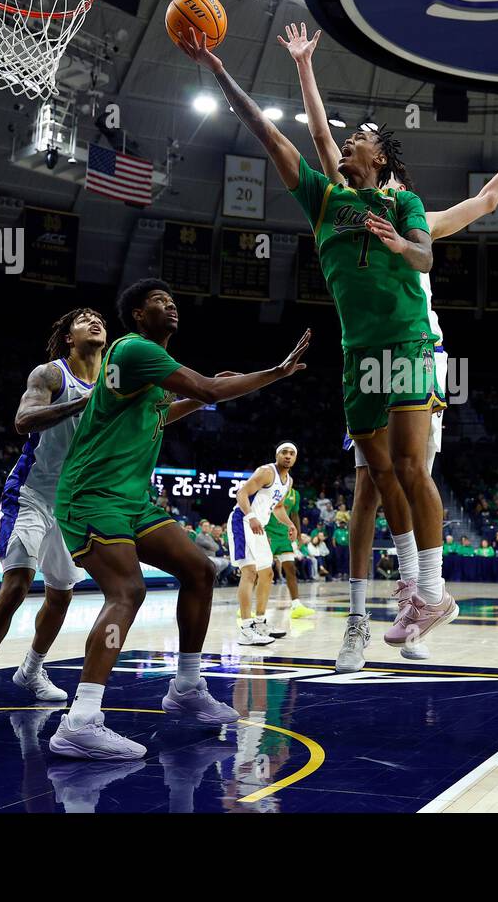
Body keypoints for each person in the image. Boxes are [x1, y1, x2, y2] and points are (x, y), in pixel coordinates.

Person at [261, 23, 498, 671]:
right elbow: (321, 137)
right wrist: (303, 66)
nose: (350, 141)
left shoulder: (411, 209)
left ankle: (427, 591)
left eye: (364, 138)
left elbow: (486, 200)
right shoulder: (345, 201)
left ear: (385, 159)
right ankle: (408, 592)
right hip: (366, 354)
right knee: (372, 484)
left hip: (417, 350)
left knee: (410, 474)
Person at [48, 279, 310, 760]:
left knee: (200, 569)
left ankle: (186, 687)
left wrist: (204, 397)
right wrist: (272, 373)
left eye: (172, 299)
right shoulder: (134, 349)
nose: (169, 305)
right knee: (127, 591)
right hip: (91, 495)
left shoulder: (144, 373)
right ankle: (80, 721)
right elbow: (208, 386)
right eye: (157, 302)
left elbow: (162, 415)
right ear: (137, 316)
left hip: (130, 499)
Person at [0, 308, 108, 729]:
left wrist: (196, 398)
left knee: (61, 594)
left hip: (72, 504)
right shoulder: (52, 375)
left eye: (99, 317)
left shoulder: (114, 377)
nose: (94, 321)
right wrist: (82, 401)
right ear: (68, 336)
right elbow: (22, 421)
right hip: (31, 493)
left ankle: (32, 670)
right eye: (82, 318)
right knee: (16, 586)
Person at [229, 443, 301, 646]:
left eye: (291, 453)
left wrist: (289, 525)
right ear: (276, 455)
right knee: (249, 572)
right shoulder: (266, 472)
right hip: (242, 521)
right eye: (284, 452)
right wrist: (251, 516)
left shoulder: (288, 481)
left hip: (258, 526)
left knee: (267, 573)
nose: (288, 456)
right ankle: (245, 629)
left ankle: (260, 622)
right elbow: (241, 494)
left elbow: (277, 507)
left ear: (295, 458)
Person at [265, 469, 314, 631]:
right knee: (262, 571)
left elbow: (295, 516)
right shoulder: (270, 490)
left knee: (290, 569)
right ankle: (248, 607)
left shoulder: (295, 495)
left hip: (284, 536)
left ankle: (296, 605)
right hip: (268, 533)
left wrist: (298, 534)